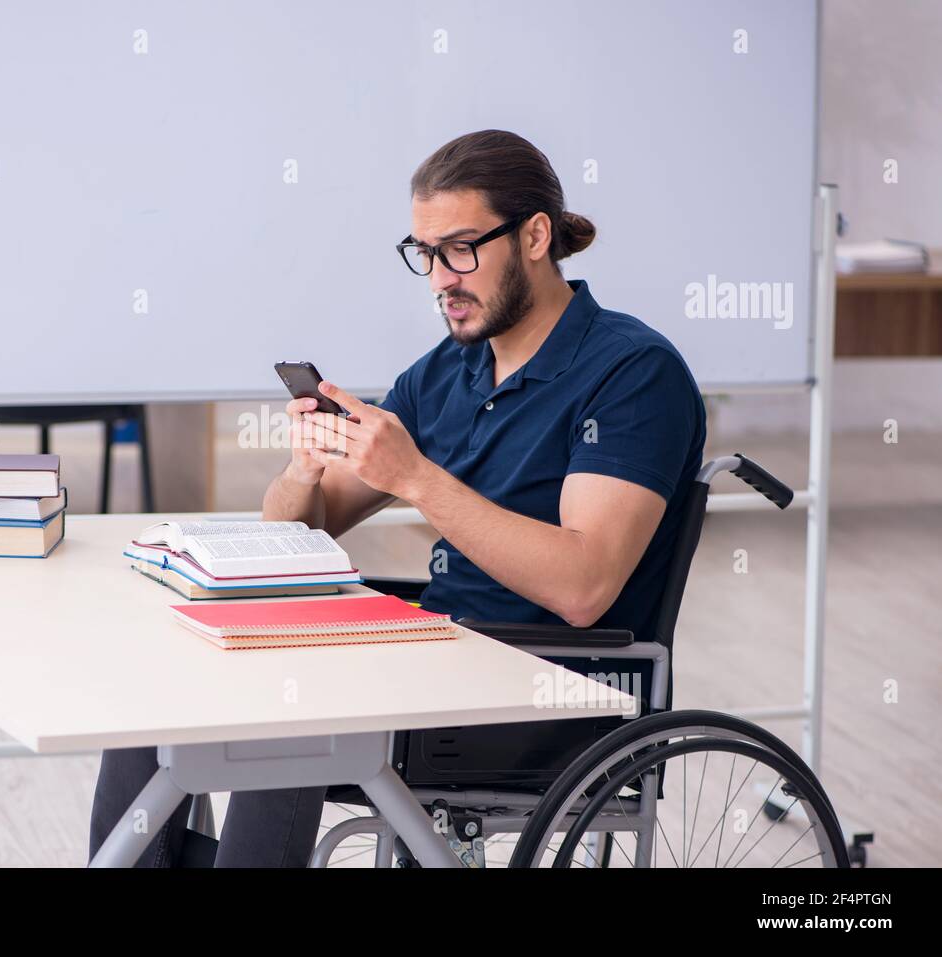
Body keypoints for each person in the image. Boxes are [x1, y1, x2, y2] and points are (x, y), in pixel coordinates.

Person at [89, 129, 706, 867]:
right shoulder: (450, 369)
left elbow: (583, 585)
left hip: (548, 689)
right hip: (441, 658)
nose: (440, 277)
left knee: (296, 699)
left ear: (536, 235)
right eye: (425, 252)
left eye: (461, 249)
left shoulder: (634, 373)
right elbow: (302, 529)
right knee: (159, 672)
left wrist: (415, 475)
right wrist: (305, 473)